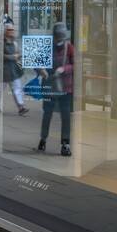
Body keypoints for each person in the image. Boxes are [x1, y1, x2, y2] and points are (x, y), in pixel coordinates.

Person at [36, 23, 74, 156]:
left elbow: (75, 65)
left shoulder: (69, 47)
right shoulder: (47, 46)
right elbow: (37, 62)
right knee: (47, 114)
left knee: (65, 116)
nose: (60, 41)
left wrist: (64, 69)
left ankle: (65, 143)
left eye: (62, 38)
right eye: (58, 38)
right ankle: (43, 139)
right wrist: (41, 70)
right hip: (49, 85)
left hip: (66, 87)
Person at [0, 23, 28, 116]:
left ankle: (21, 107)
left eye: (12, 30)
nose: (12, 31)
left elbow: (18, 53)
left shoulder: (14, 42)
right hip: (3, 71)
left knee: (17, 89)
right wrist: (14, 56)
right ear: (5, 31)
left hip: (13, 70)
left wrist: (21, 55)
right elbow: (1, 56)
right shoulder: (0, 43)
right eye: (10, 30)